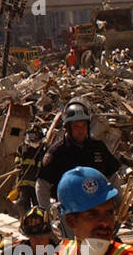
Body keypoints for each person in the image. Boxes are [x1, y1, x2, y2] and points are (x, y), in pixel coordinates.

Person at [35, 100, 120, 238]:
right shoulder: (57, 152)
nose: (81, 130)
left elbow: (112, 177)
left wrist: (118, 205)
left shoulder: (98, 148)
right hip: (71, 215)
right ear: (68, 128)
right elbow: (42, 185)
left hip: (98, 211)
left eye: (84, 125)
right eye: (76, 126)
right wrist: (47, 215)